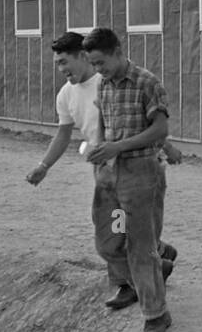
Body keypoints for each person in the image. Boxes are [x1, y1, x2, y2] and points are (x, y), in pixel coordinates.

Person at [26, 31, 178, 276]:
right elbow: (63, 134)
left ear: (82, 57)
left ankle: (134, 279)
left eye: (64, 62)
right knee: (115, 226)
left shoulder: (108, 82)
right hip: (106, 168)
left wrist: (167, 148)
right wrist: (43, 166)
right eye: (57, 64)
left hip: (136, 165)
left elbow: (144, 121)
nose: (61, 69)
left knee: (126, 227)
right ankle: (154, 260)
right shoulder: (65, 95)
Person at [82, 27, 174, 332]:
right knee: (107, 243)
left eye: (101, 62)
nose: (98, 69)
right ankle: (151, 271)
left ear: (118, 52)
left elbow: (160, 130)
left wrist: (117, 147)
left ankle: (156, 315)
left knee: (139, 245)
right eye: (93, 64)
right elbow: (105, 124)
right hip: (110, 173)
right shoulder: (104, 85)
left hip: (142, 173)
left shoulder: (147, 82)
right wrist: (100, 147)